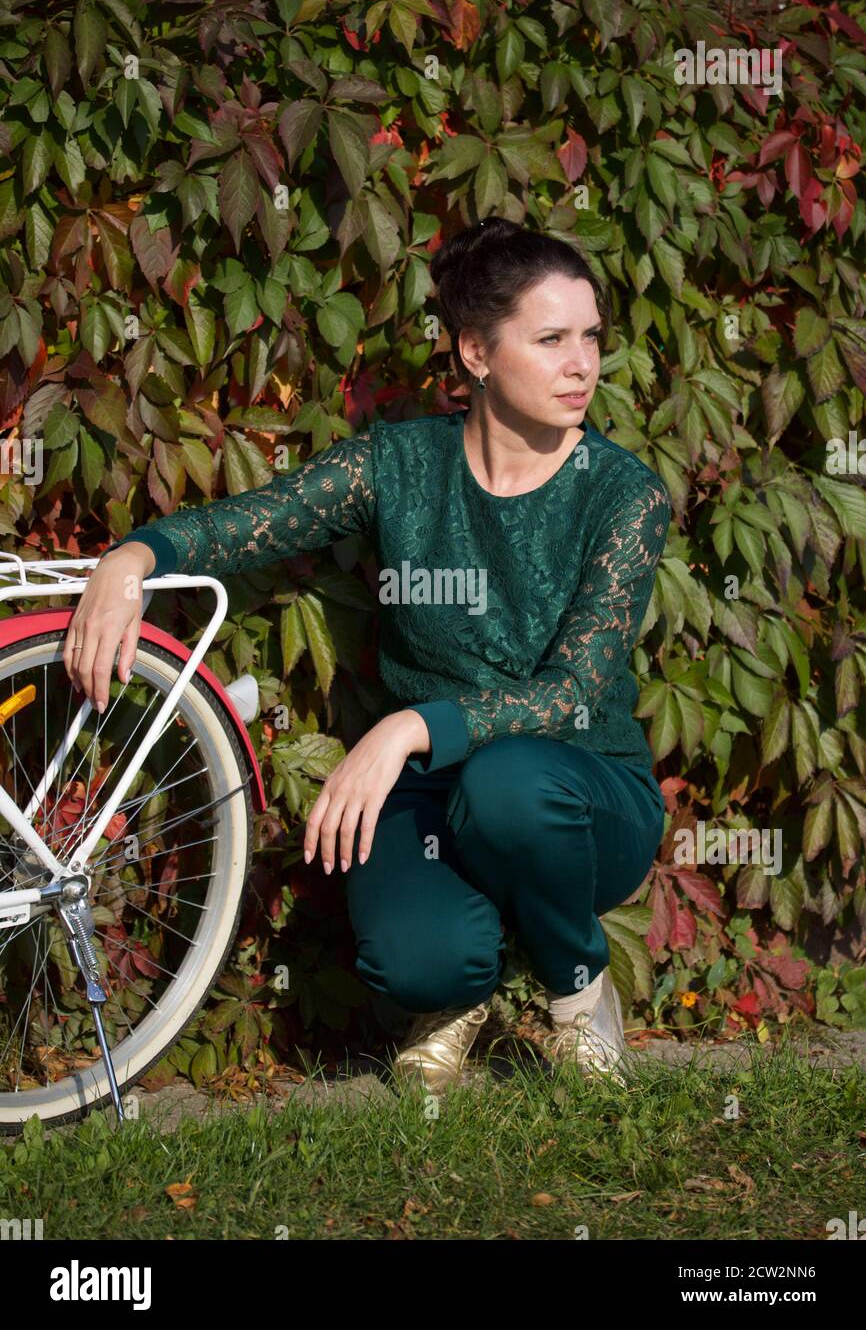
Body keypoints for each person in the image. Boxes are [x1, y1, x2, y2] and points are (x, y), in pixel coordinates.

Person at [65, 217, 671, 1095]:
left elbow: (574, 692)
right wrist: (136, 557)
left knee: (510, 788)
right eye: (551, 340)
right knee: (416, 964)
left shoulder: (623, 494)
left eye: (591, 339)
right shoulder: (401, 464)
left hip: (581, 793)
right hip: (435, 787)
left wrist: (405, 729)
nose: (583, 364)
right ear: (474, 352)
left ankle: (578, 990)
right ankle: (464, 991)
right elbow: (258, 522)